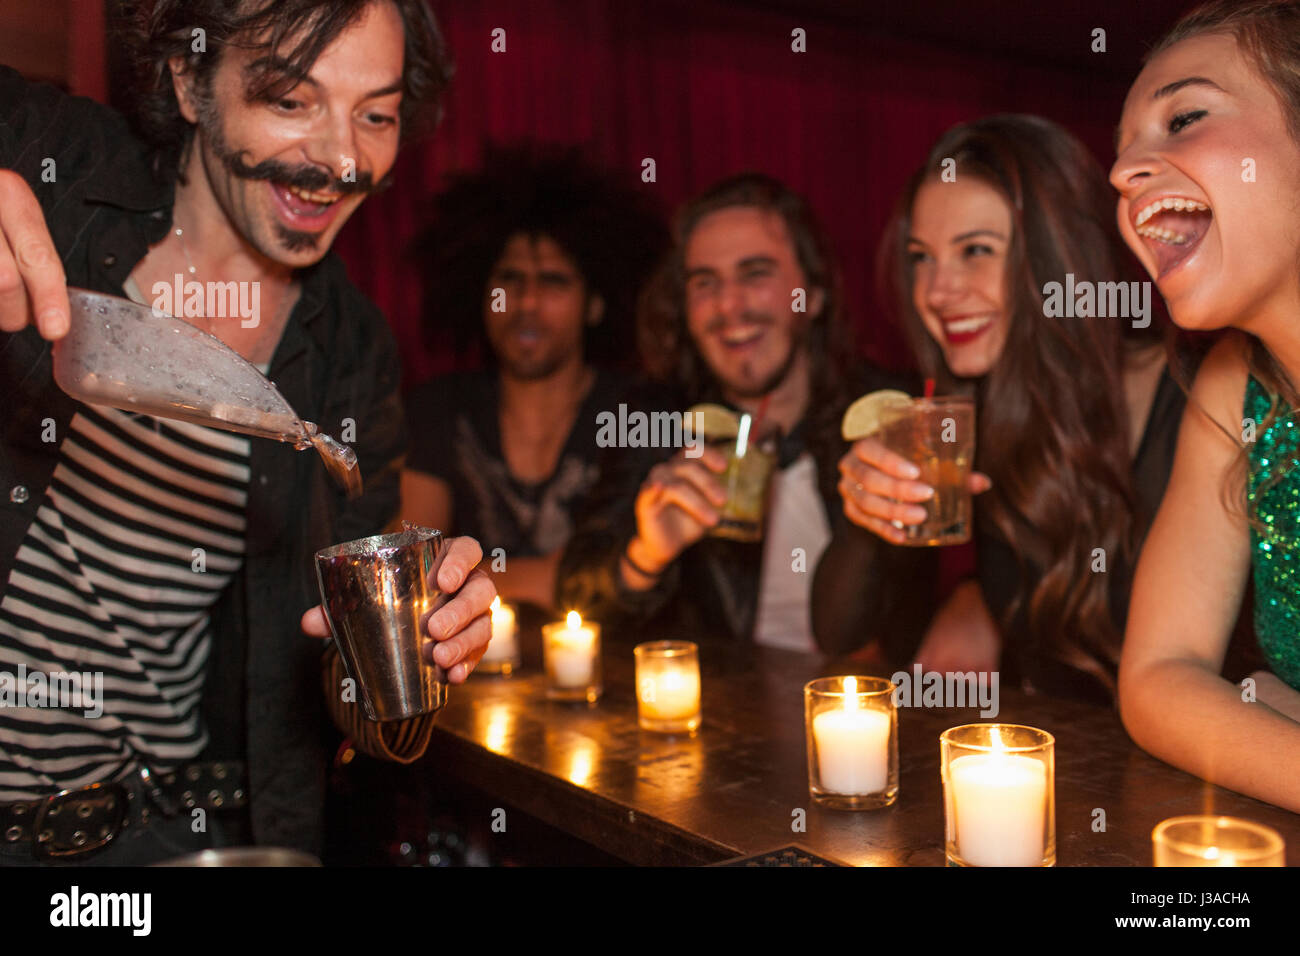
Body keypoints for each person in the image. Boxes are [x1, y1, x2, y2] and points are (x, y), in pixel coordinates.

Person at [0, 0, 495, 864]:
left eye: (375, 114)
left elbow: (339, 692)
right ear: (191, 82)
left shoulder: (350, 351)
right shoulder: (50, 157)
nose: (343, 159)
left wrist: (409, 651)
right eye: (289, 98)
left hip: (155, 843)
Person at [814, 115, 1182, 702]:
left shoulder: (1187, 395)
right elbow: (838, 632)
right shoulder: (963, 412)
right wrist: (865, 519)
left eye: (976, 251)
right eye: (921, 257)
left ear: (1059, 254)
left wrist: (977, 598)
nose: (936, 291)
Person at [557, 173, 920, 654]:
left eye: (755, 273)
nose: (729, 305)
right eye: (705, 283)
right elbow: (576, 599)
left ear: (812, 295)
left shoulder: (890, 411)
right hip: (726, 715)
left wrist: (971, 598)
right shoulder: (659, 421)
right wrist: (645, 557)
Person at [1114, 0, 1300, 812]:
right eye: (1122, 154)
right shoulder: (1234, 390)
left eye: (1183, 118)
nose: (1123, 174)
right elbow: (1158, 673)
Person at [402, 146, 669, 611]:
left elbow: (622, 573)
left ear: (595, 305)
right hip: (466, 674)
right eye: (509, 278)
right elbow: (409, 578)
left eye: (553, 281)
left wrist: (465, 584)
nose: (526, 303)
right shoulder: (439, 408)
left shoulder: (639, 410)